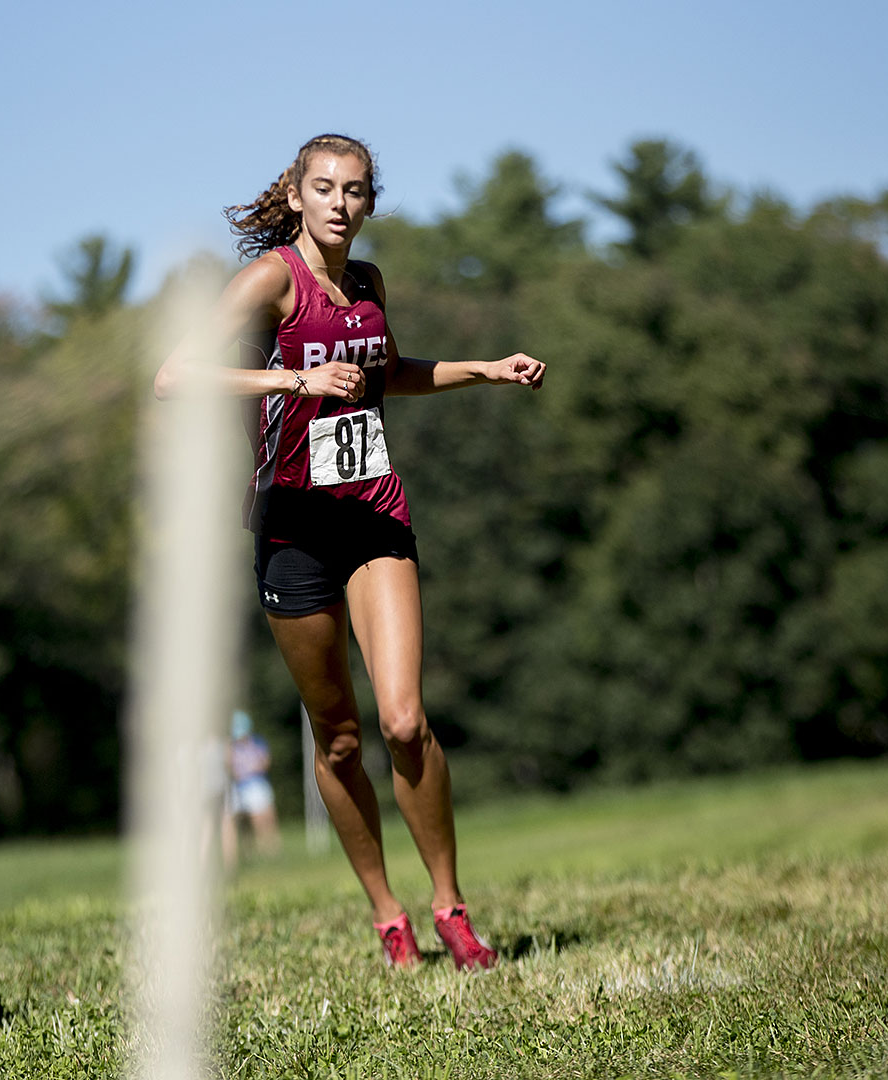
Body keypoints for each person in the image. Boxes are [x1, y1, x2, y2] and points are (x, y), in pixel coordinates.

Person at [154, 134, 546, 969]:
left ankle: (449, 905)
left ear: (370, 203)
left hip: (372, 516)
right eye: (324, 187)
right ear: (296, 195)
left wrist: (484, 367)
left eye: (356, 190)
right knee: (336, 739)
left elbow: (386, 373)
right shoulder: (269, 282)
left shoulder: (366, 283)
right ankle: (387, 914)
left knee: (403, 720)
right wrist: (292, 381)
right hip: (292, 532)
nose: (340, 202)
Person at [223, 709, 281, 867]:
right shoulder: (231, 746)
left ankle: (270, 853)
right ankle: (248, 854)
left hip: (258, 785)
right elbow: (229, 767)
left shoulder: (257, 742)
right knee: (241, 825)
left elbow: (265, 763)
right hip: (240, 788)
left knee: (265, 821)